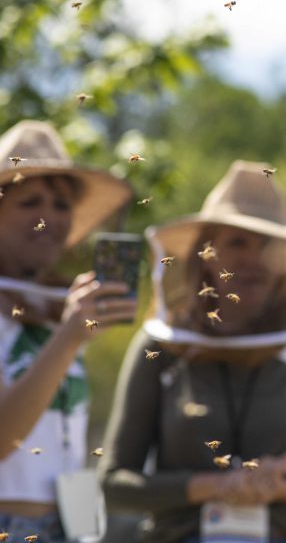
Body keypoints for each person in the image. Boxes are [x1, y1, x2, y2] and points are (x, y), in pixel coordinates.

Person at [100, 161, 286, 543]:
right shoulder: (162, 348)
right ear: (207, 255)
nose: (253, 259)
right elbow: (114, 484)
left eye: (267, 245)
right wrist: (209, 486)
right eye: (238, 242)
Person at [0, 120, 137, 543]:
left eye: (62, 205)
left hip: (70, 527)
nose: (49, 217)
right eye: (30, 201)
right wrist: (70, 336)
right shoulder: (68, 325)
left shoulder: (58, 308)